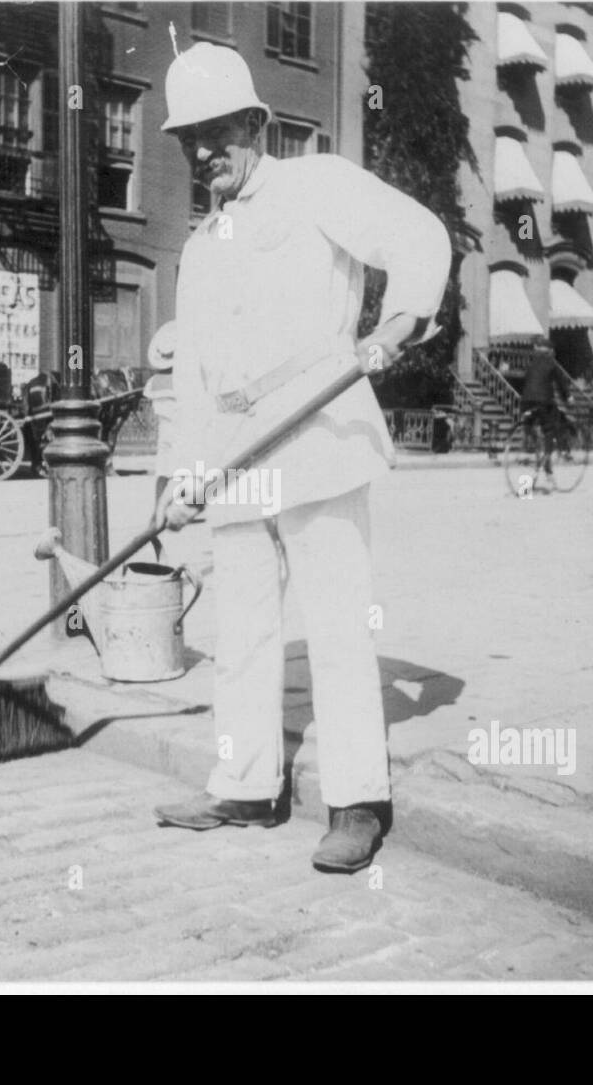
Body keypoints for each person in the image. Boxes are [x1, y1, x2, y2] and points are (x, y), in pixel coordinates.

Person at [150, 43, 452, 873]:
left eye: (218, 131)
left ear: (258, 122)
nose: (204, 151)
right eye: (189, 139)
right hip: (239, 453)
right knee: (243, 625)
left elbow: (421, 237)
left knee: (336, 623)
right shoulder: (204, 247)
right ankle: (246, 782)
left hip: (321, 435)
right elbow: (195, 380)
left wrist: (401, 320)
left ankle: (357, 802)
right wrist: (183, 478)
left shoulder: (319, 183)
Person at [143, 320, 179, 509]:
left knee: (163, 468)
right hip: (180, 428)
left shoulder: (154, 382)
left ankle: (160, 505)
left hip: (164, 430)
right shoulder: (181, 380)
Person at [519, 350, 570, 456]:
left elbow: (524, 382)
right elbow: (560, 383)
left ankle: (531, 443)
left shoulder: (531, 365)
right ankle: (547, 458)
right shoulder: (552, 364)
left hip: (526, 401)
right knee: (549, 427)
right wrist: (567, 397)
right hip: (544, 401)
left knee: (529, 422)